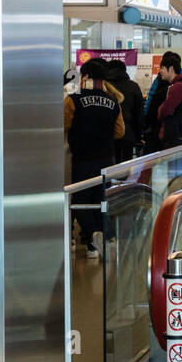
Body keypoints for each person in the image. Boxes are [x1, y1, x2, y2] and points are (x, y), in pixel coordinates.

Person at [64, 58, 124, 258]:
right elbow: (120, 131)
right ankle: (103, 239)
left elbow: (63, 126)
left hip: (82, 158)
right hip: (107, 158)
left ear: (85, 76)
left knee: (81, 199)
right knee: (102, 200)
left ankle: (92, 236)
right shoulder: (113, 100)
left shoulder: (73, 99)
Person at [150, 51, 182, 150]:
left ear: (171, 69)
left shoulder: (178, 87)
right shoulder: (180, 84)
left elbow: (165, 110)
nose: (160, 71)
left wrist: (160, 110)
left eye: (162, 68)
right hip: (179, 134)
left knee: (176, 165)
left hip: (177, 136)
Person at [104, 58, 145, 163]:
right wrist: (138, 136)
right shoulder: (133, 86)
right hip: (128, 134)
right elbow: (139, 114)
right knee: (124, 168)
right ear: (124, 70)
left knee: (107, 168)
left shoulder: (104, 87)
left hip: (107, 135)